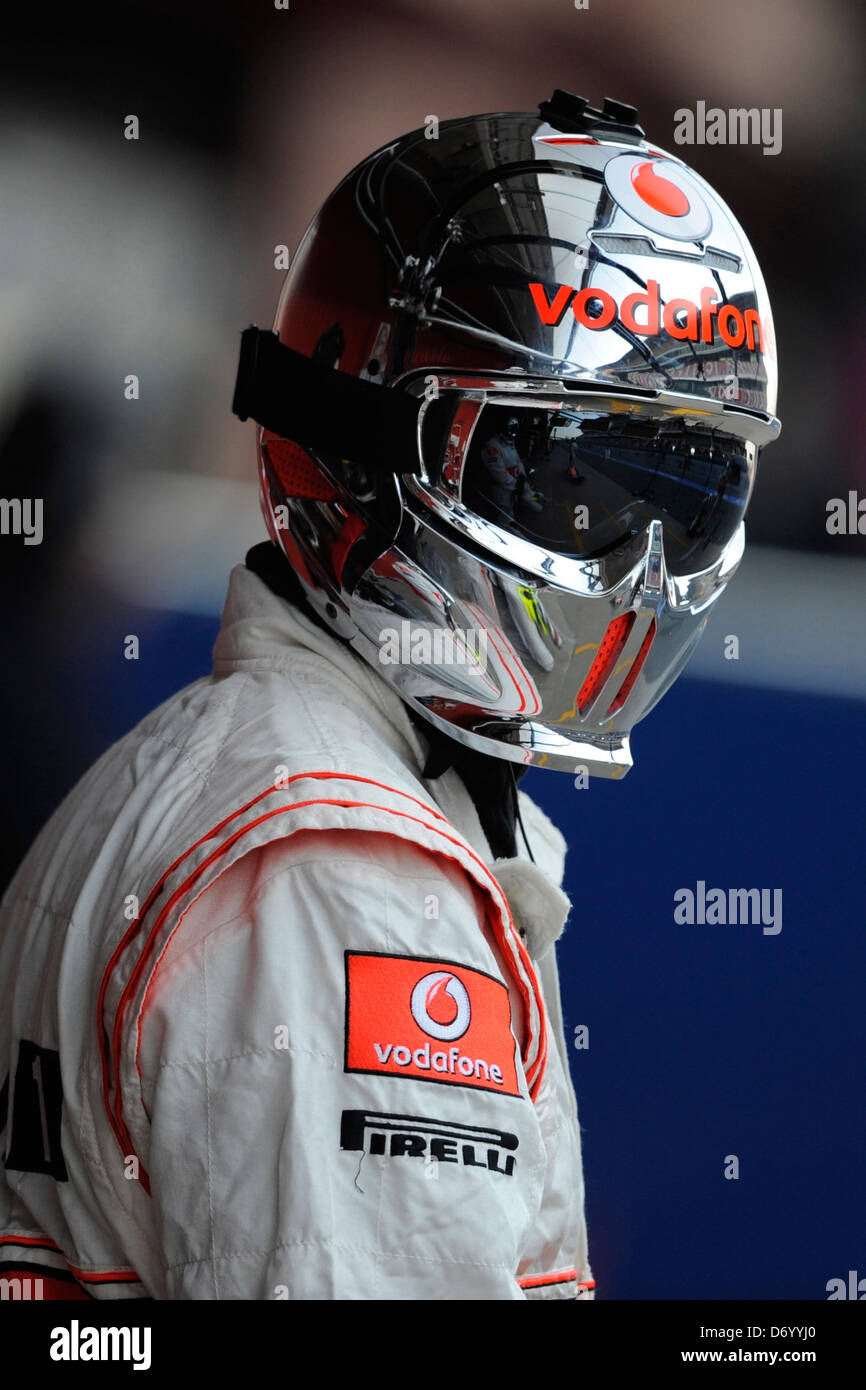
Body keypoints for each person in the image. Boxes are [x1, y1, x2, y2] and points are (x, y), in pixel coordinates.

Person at [0, 91, 779, 1301]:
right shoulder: (348, 874)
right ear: (359, 448)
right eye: (570, 480)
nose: (637, 568)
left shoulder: (222, 778)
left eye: (685, 492)